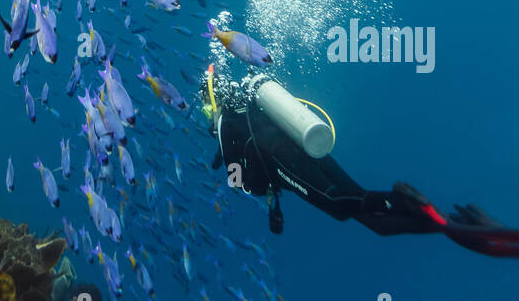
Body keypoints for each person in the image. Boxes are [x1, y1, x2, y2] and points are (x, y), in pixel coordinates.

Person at [203, 61, 519, 258]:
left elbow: (244, 182)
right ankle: (444, 224)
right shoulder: (247, 103)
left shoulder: (224, 120)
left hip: (284, 159)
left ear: (211, 99)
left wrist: (251, 185)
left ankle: (403, 201)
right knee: (364, 213)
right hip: (308, 146)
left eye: (205, 106)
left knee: (337, 204)